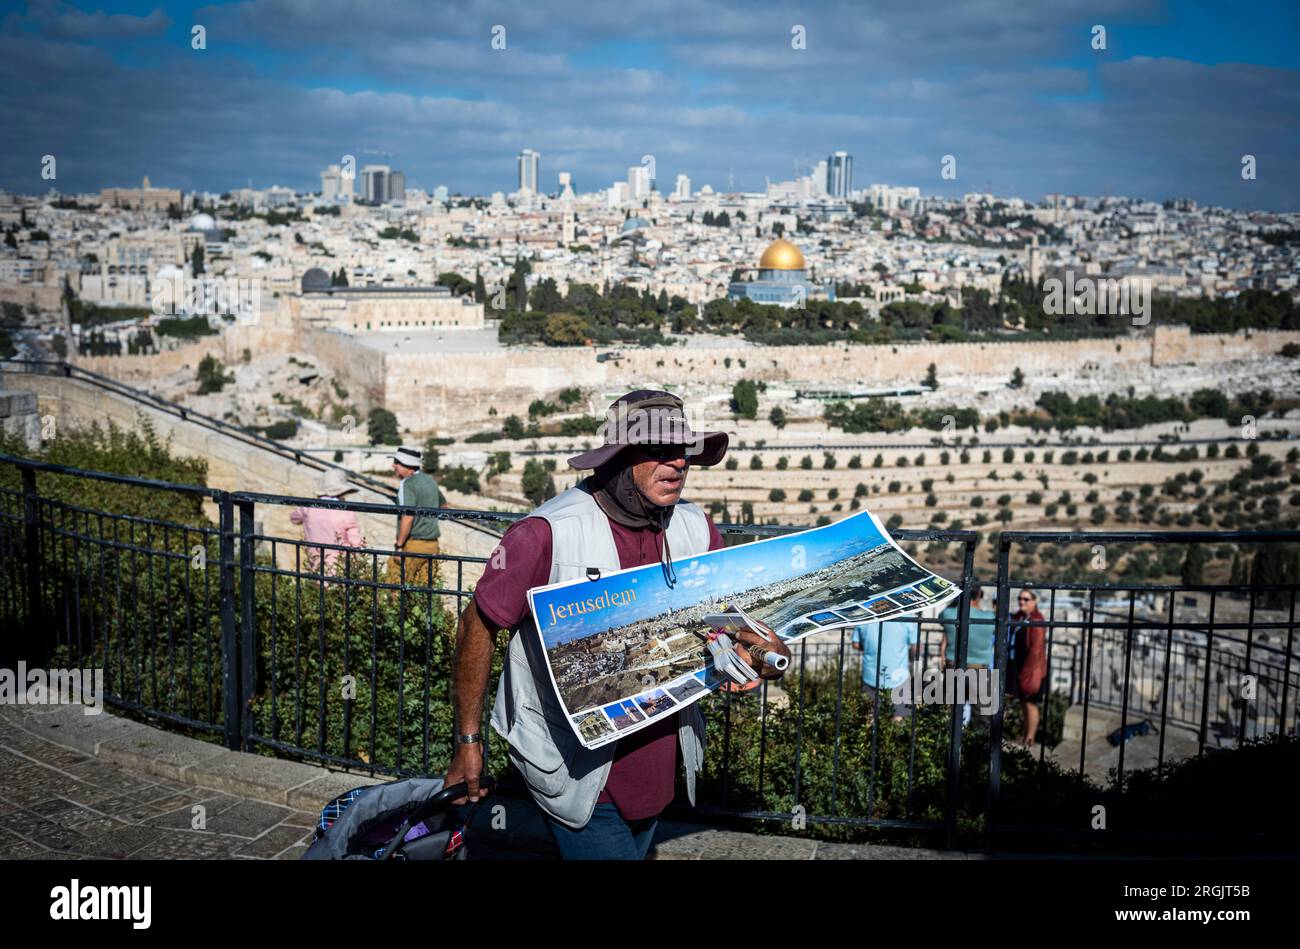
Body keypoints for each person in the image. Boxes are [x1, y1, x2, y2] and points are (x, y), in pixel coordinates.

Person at [444, 390, 791, 860]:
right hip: (578, 772)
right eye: (658, 451)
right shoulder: (546, 533)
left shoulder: (695, 528)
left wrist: (753, 654)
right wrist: (468, 741)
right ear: (620, 459)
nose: (678, 464)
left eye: (683, 452)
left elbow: (724, 623)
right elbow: (477, 628)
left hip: (659, 768)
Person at [937, 585, 996, 726]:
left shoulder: (948, 614)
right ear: (979, 596)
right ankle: (976, 746)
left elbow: (942, 619)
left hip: (954, 667)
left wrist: (958, 601)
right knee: (982, 717)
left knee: (950, 714)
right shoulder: (990, 618)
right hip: (980, 670)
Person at [386, 446, 443, 589]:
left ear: (409, 466)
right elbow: (444, 505)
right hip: (432, 544)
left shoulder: (407, 484)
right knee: (423, 590)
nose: (394, 466)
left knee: (394, 585)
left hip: (413, 544)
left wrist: (399, 546)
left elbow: (408, 517)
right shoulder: (430, 481)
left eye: (397, 462)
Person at [288, 469, 365, 572]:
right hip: (339, 568)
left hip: (315, 565)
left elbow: (294, 519)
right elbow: (356, 544)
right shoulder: (347, 513)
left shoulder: (308, 508)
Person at [852, 617, 918, 721]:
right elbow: (916, 647)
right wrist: (910, 658)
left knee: (869, 717)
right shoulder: (909, 617)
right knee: (899, 717)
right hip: (899, 675)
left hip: (871, 674)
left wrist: (870, 649)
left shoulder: (865, 617)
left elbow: (855, 644)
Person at [1006, 588, 1047, 746]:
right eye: (1020, 599)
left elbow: (1036, 651)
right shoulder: (1021, 617)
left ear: (1034, 601)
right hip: (1021, 666)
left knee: (1030, 704)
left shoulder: (1036, 620)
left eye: (1026, 599)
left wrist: (1026, 673)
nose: (1022, 601)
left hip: (1032, 671)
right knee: (1024, 703)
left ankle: (1030, 738)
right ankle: (1026, 736)